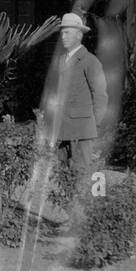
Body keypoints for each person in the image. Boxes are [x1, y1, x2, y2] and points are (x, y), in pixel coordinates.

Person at [43, 11, 109, 170]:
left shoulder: (90, 61)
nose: (63, 37)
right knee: (61, 175)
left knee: (81, 175)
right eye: (62, 33)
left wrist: (94, 124)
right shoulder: (60, 61)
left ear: (79, 35)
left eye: (67, 33)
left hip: (83, 131)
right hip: (62, 129)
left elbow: (100, 95)